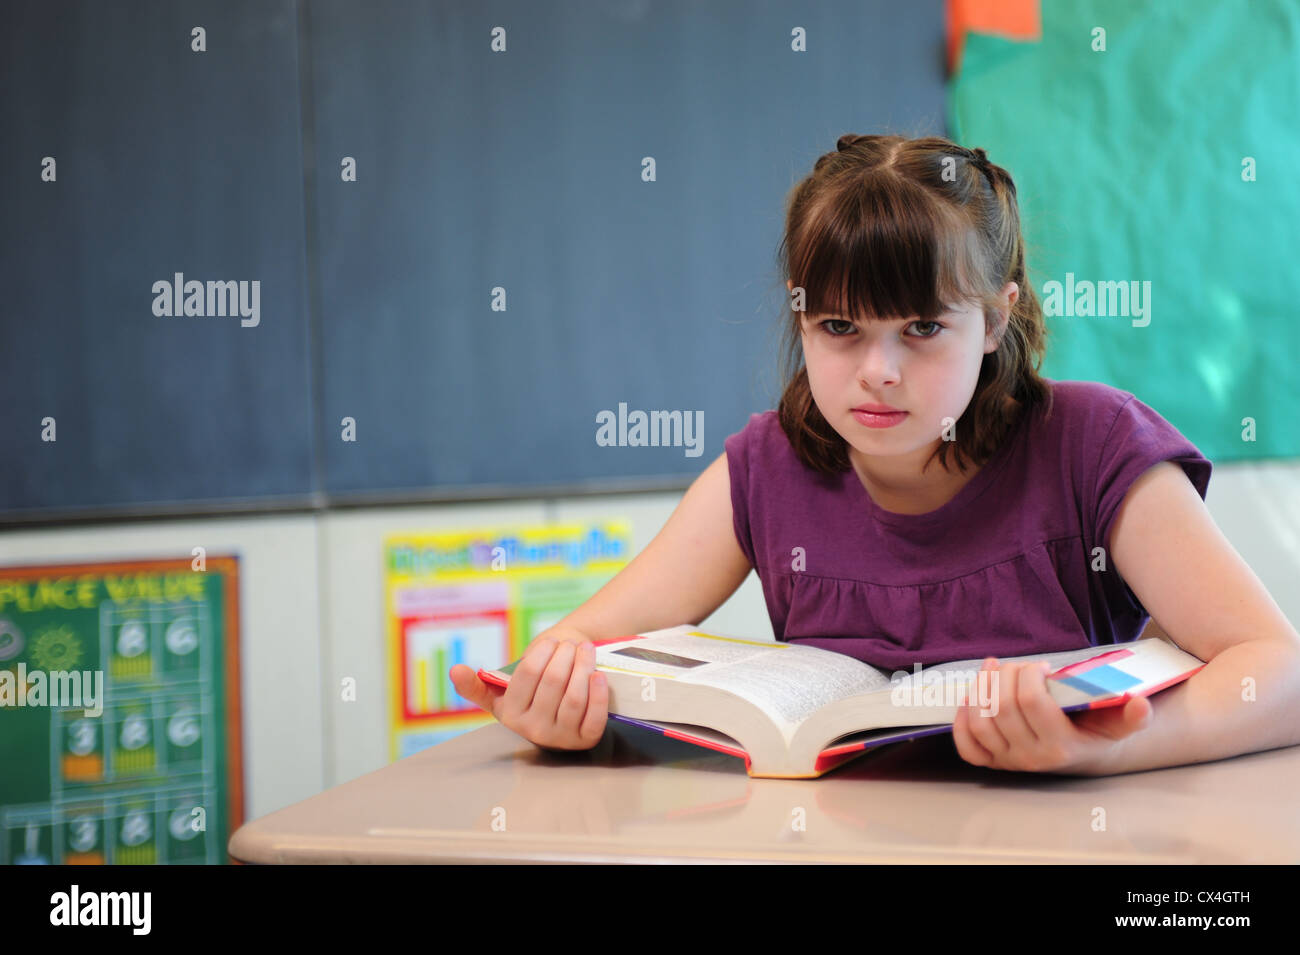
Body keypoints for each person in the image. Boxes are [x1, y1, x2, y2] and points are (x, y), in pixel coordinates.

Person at [451, 133, 1300, 775]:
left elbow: (1280, 674)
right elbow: (574, 648)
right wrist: (551, 701)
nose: (878, 373)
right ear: (801, 321)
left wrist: (1089, 752)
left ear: (998, 318)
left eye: (923, 327)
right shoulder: (766, 471)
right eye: (838, 328)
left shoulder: (1096, 447)